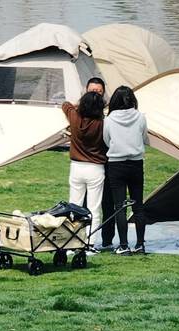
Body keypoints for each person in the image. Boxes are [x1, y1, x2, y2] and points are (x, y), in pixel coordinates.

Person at [102, 85, 149, 254]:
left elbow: (106, 140)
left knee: (120, 206)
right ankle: (140, 244)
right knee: (138, 206)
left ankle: (123, 245)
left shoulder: (109, 119)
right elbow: (144, 137)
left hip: (116, 164)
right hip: (136, 163)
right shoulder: (140, 117)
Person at [60, 90, 107, 248]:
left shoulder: (74, 117)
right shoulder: (102, 123)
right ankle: (90, 243)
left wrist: (75, 106)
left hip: (76, 167)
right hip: (96, 168)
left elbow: (65, 105)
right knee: (94, 209)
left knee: (74, 206)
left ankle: (71, 242)